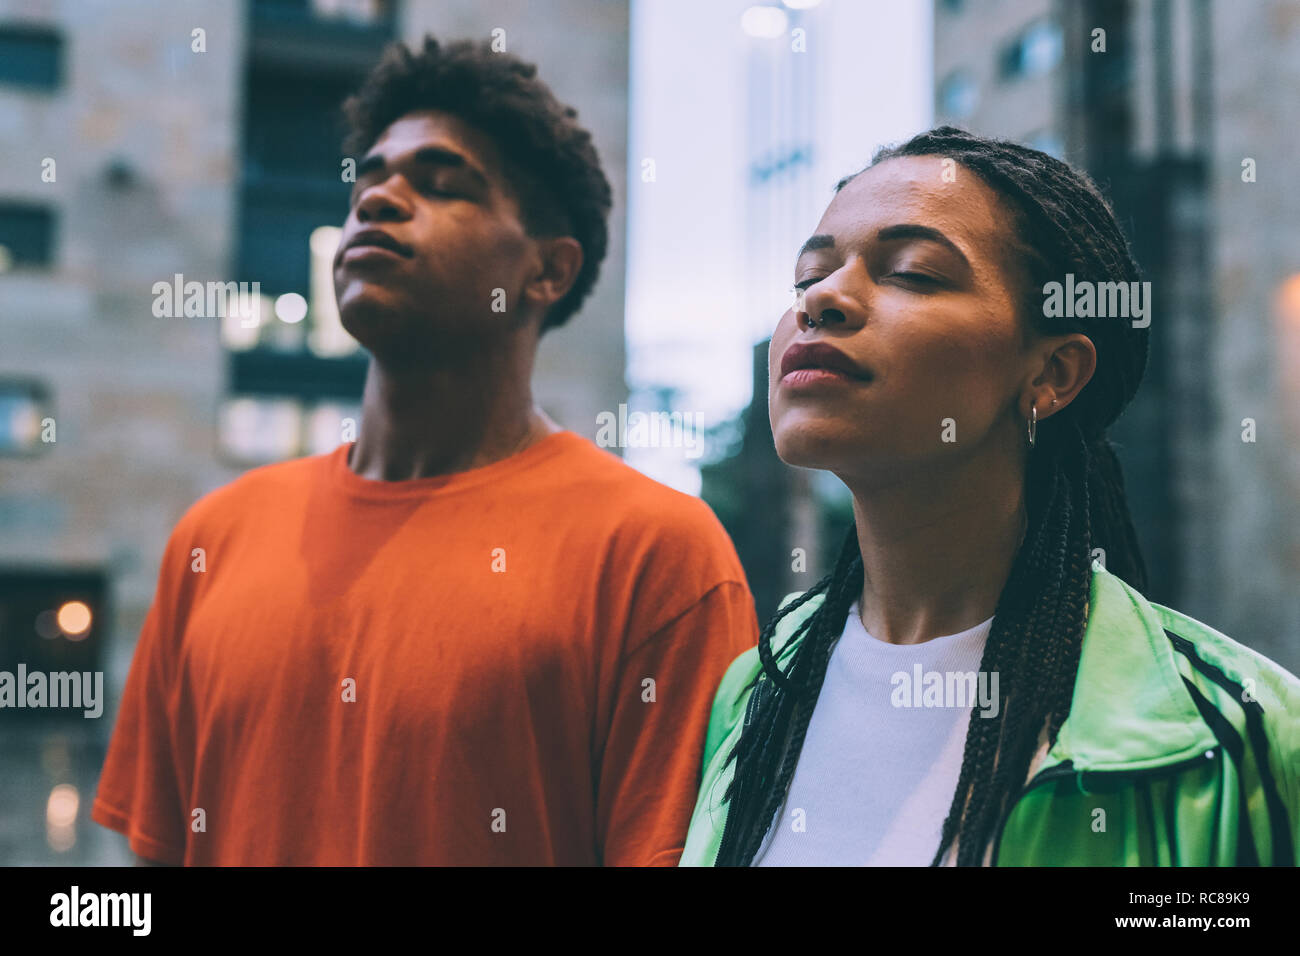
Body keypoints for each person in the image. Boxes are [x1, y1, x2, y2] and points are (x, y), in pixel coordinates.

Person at [91, 36, 758, 866]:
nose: (379, 200)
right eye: (367, 180)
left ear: (547, 272)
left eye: (442, 185)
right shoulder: (212, 538)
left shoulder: (657, 557)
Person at [680, 126, 1300, 867]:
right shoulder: (756, 689)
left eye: (911, 272)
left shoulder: (1238, 736)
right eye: (807, 277)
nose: (824, 300)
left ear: (1053, 375)